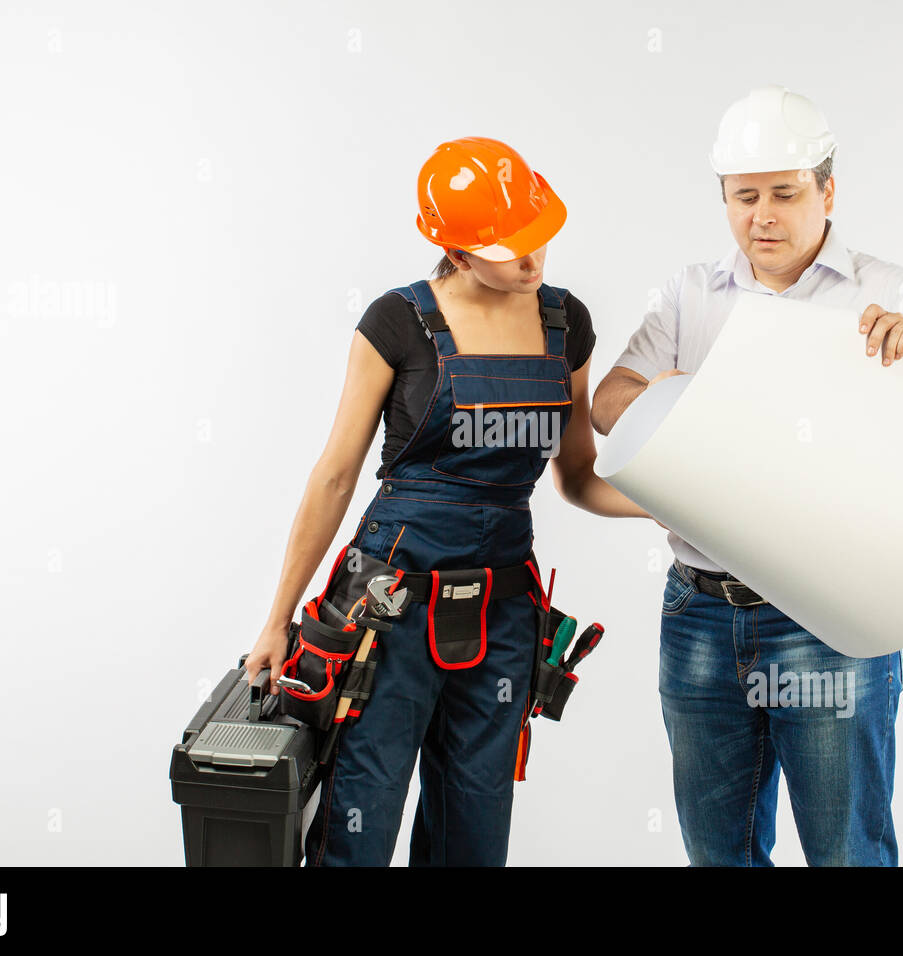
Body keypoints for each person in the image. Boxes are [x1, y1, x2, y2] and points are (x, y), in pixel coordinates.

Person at [590, 85, 903, 866]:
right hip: (701, 614)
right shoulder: (692, 293)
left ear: (828, 191)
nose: (763, 216)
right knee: (719, 851)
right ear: (724, 200)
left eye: (784, 193)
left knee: (845, 851)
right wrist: (683, 397)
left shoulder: (884, 289)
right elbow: (611, 403)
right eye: (744, 197)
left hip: (829, 615)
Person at [244, 136, 649, 866]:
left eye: (538, 239)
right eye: (508, 249)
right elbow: (336, 476)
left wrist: (676, 505)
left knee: (475, 833)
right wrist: (278, 619)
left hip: (502, 612)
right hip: (387, 613)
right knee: (357, 825)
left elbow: (578, 476)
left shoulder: (567, 325)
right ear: (458, 254)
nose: (532, 261)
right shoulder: (397, 324)